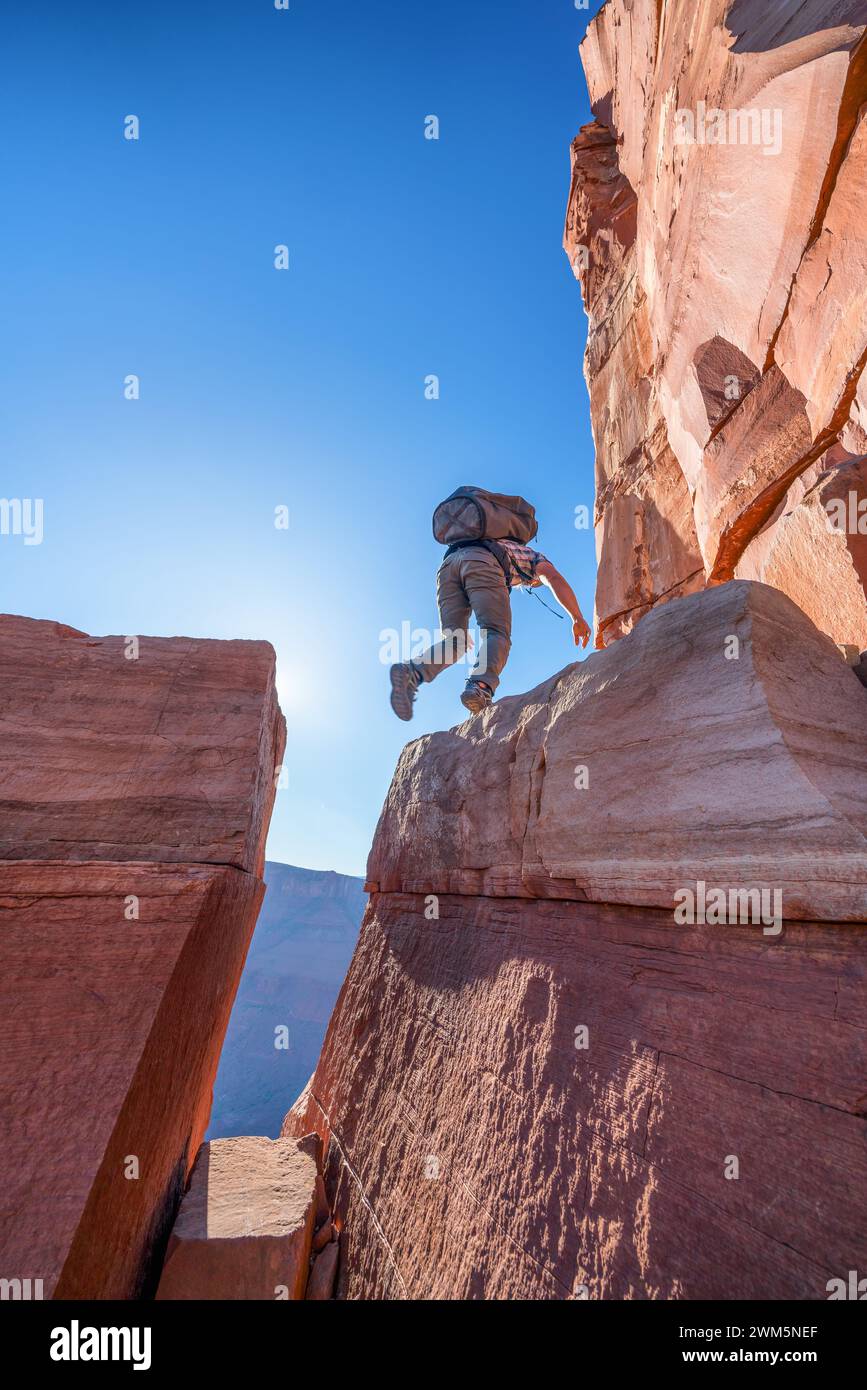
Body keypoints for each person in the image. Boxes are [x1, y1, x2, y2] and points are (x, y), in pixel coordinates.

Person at [389, 533, 592, 720]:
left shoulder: (496, 544)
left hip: (447, 566)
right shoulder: (534, 557)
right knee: (497, 632)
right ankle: (480, 686)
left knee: (455, 642)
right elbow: (553, 578)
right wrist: (577, 617)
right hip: (481, 561)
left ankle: (411, 672)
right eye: (533, 583)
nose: (531, 584)